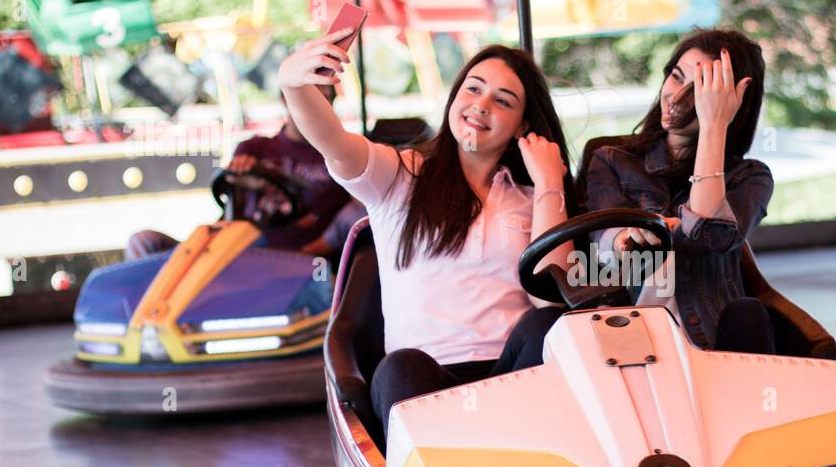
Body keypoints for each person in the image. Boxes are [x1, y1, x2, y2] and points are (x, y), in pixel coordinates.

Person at [278, 31, 574, 430]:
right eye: (473, 89)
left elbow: (549, 295)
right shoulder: (400, 175)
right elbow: (333, 143)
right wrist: (294, 84)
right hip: (423, 378)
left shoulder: (530, 197)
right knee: (401, 366)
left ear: (522, 126)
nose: (481, 105)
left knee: (549, 326)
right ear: (454, 98)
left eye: (502, 101)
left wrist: (549, 183)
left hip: (512, 375)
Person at [582, 28, 776, 354]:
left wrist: (714, 124)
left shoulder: (750, 177)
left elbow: (709, 236)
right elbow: (605, 240)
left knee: (748, 313)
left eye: (699, 89)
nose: (675, 96)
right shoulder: (612, 159)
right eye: (675, 76)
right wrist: (626, 237)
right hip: (629, 337)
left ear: (733, 105)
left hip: (713, 342)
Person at [125, 84, 352, 259]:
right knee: (144, 241)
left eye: (324, 100)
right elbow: (230, 184)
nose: (314, 109)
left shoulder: (341, 154)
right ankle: (147, 317)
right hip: (233, 248)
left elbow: (356, 211)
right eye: (308, 100)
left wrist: (315, 249)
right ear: (287, 99)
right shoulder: (255, 148)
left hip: (299, 256)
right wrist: (243, 178)